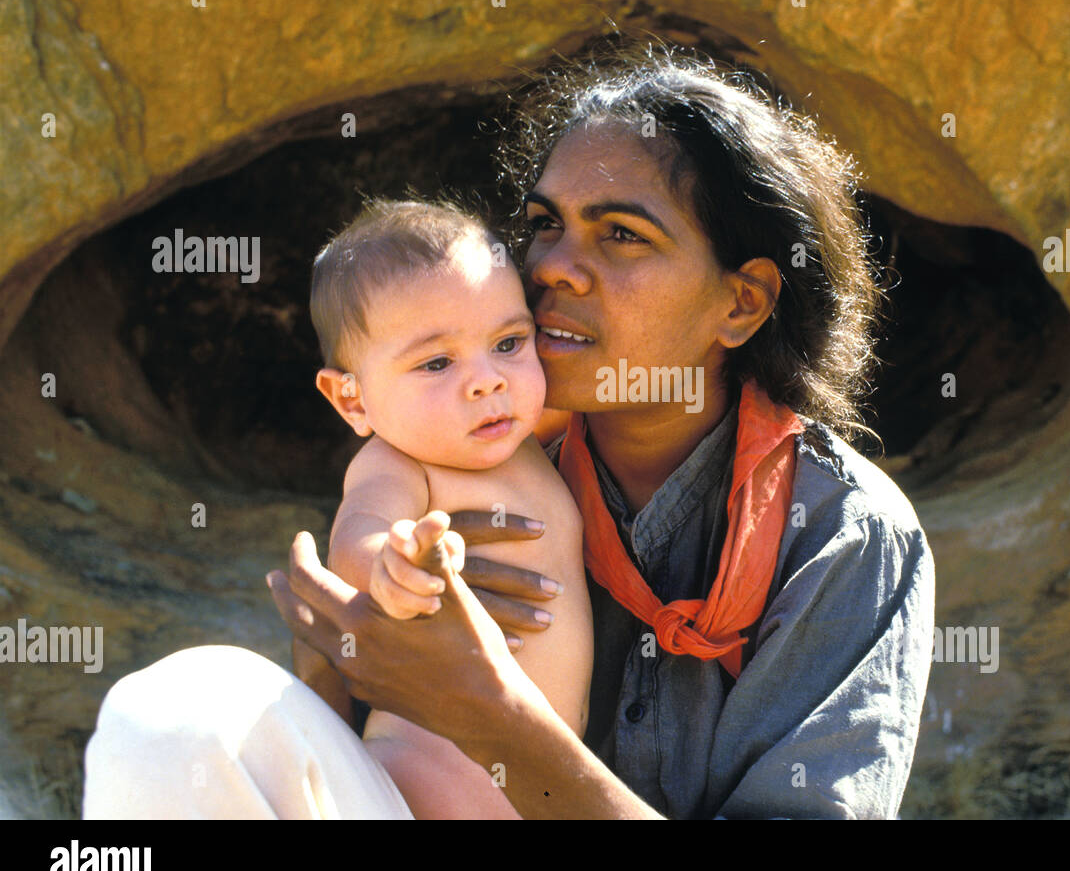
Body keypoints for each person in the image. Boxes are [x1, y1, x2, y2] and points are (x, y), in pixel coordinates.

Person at [82, 45, 935, 820]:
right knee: (179, 717)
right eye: (542, 224)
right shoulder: (481, 450)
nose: (553, 265)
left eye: (622, 234)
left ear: (739, 302)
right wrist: (335, 668)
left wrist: (493, 717)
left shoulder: (845, 536)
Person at [302, 197, 592, 818]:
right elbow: (356, 534)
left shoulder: (528, 437)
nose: (488, 380)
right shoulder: (397, 464)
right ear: (351, 400)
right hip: (414, 784)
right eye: (437, 362)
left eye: (509, 342)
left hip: (536, 791)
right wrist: (393, 564)